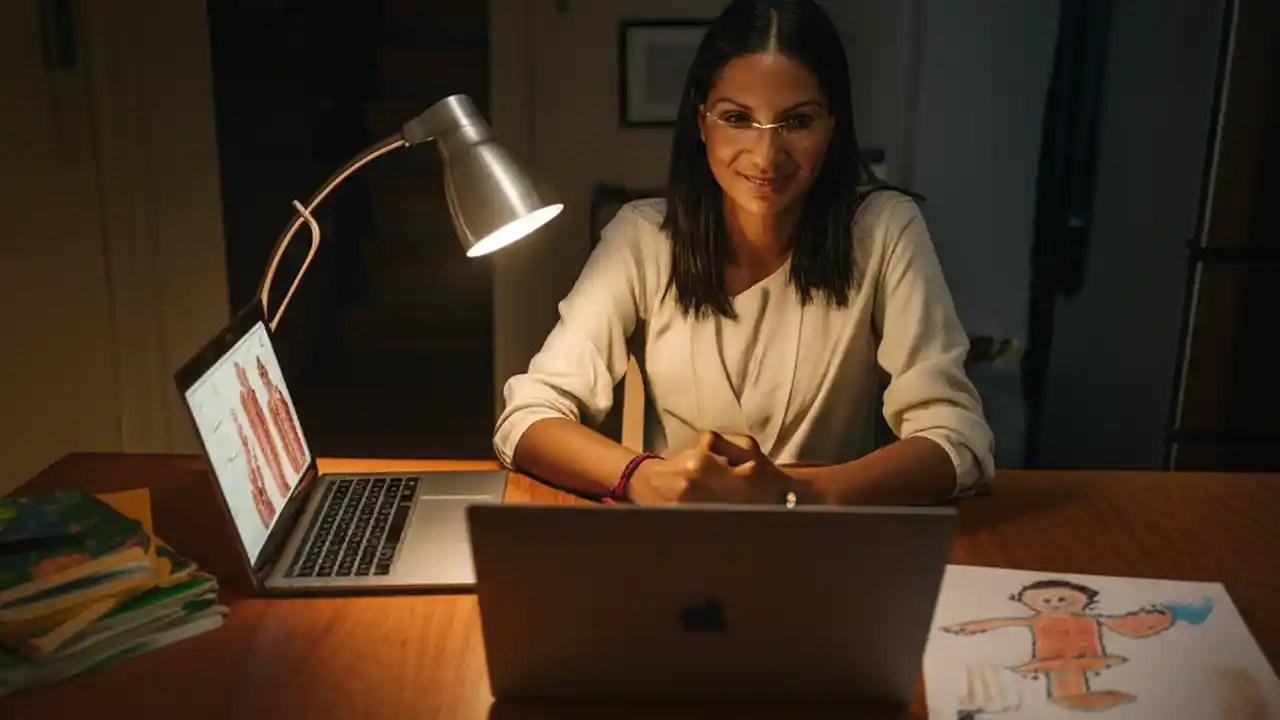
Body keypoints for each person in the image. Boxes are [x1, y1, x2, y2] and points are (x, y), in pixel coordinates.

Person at [493, 0, 994, 506]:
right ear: (702, 122)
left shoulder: (883, 228)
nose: (765, 156)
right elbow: (529, 416)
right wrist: (643, 477)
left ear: (833, 126)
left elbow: (957, 438)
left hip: (830, 546)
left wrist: (802, 492)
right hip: (677, 547)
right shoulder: (642, 237)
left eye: (797, 121)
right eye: (737, 117)